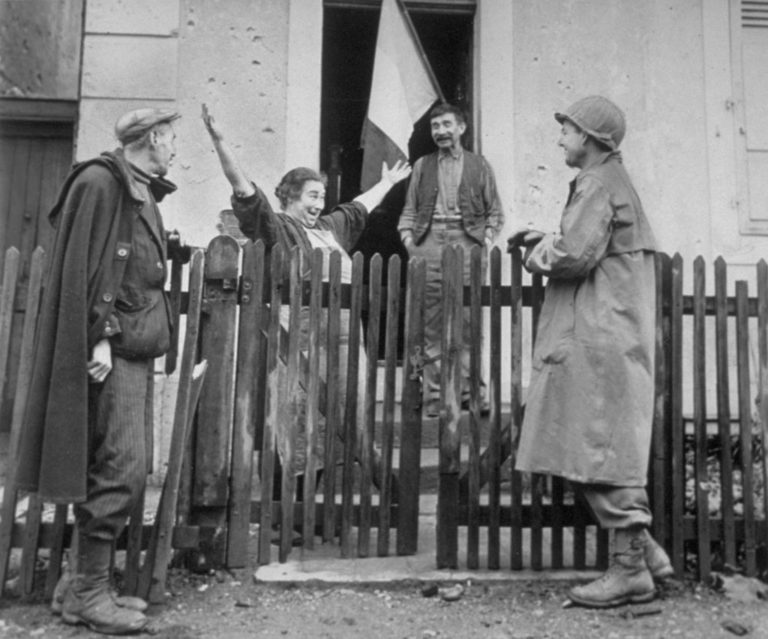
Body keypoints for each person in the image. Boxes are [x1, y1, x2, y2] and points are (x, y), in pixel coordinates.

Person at [16, 107, 184, 634]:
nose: (175, 150)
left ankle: (76, 587)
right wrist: (103, 336)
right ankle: (90, 590)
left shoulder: (135, 186)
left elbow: (123, 258)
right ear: (154, 138)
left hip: (133, 348)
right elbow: (83, 269)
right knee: (125, 467)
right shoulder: (99, 181)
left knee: (119, 465)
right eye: (172, 139)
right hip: (114, 350)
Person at [509, 95, 672, 608]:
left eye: (567, 130)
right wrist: (550, 237)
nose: (560, 138)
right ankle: (646, 557)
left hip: (599, 335)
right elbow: (590, 243)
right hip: (610, 332)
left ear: (591, 139)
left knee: (595, 442)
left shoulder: (598, 182)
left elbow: (575, 254)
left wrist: (537, 251)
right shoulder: (610, 182)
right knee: (594, 439)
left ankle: (629, 571)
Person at [201, 105, 411, 497]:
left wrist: (389, 183)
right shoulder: (277, 228)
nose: (320, 203)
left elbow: (359, 207)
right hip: (301, 340)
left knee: (351, 415)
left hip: (348, 342)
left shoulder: (331, 228)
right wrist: (220, 143)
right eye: (313, 196)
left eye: (323, 196)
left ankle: (350, 497)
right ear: (291, 196)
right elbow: (246, 193)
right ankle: (294, 505)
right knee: (301, 416)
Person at [397, 102, 503, 418]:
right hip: (428, 242)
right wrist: (410, 243)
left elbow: (494, 212)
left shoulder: (479, 165)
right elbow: (409, 211)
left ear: (461, 128)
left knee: (469, 322)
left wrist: (483, 241)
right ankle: (433, 397)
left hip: (467, 241)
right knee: (430, 323)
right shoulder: (421, 166)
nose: (440, 132)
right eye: (435, 127)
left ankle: (471, 395)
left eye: (446, 125)